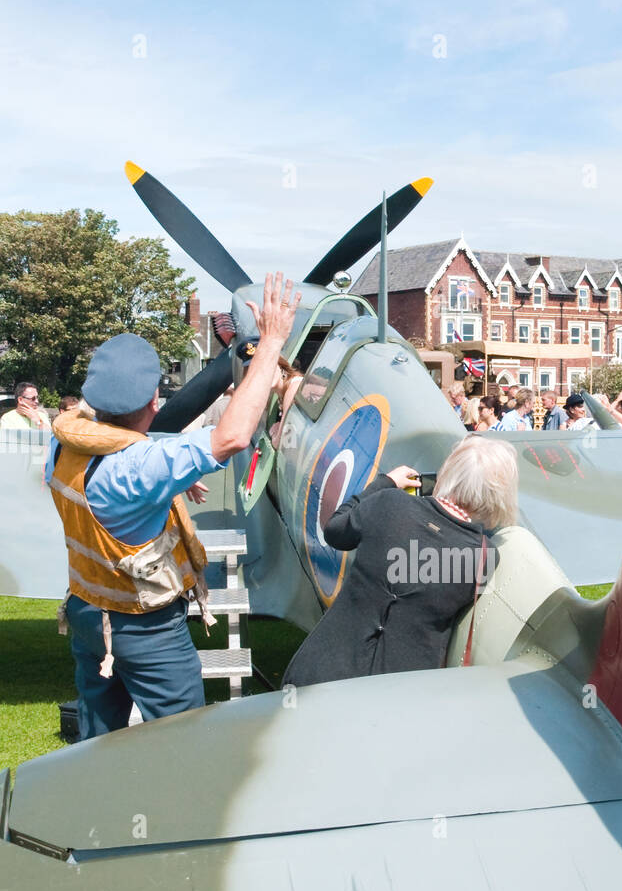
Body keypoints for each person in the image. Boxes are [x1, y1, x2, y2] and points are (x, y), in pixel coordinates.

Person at [46, 272, 300, 739]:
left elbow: (115, 439)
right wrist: (271, 342)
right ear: (153, 398)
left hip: (87, 613)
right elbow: (232, 436)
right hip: (143, 627)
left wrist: (170, 482)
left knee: (98, 736)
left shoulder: (61, 446)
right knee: (182, 740)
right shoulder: (140, 468)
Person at [282, 435, 518, 688]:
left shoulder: (389, 503)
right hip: (401, 692)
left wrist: (385, 483)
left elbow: (335, 530)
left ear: (449, 472)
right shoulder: (484, 556)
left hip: (324, 668)